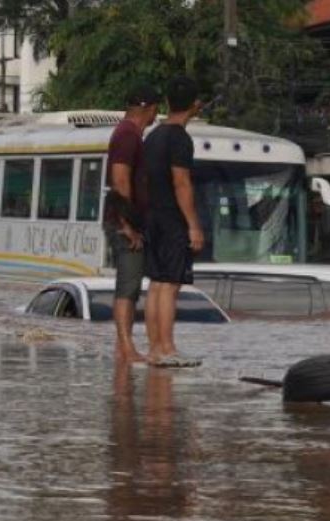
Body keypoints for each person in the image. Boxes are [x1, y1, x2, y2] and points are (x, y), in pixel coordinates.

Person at [142, 76, 204, 367]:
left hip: (151, 217)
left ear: (167, 103)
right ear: (196, 106)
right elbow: (181, 183)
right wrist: (192, 224)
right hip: (171, 220)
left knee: (157, 283)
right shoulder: (180, 139)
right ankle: (167, 349)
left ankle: (155, 348)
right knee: (170, 285)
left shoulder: (152, 136)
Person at [104, 84, 160, 363]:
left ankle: (122, 347)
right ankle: (126, 347)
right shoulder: (128, 135)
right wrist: (127, 224)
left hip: (125, 220)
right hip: (124, 223)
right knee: (128, 286)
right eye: (155, 110)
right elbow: (120, 179)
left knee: (131, 284)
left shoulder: (129, 134)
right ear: (150, 109)